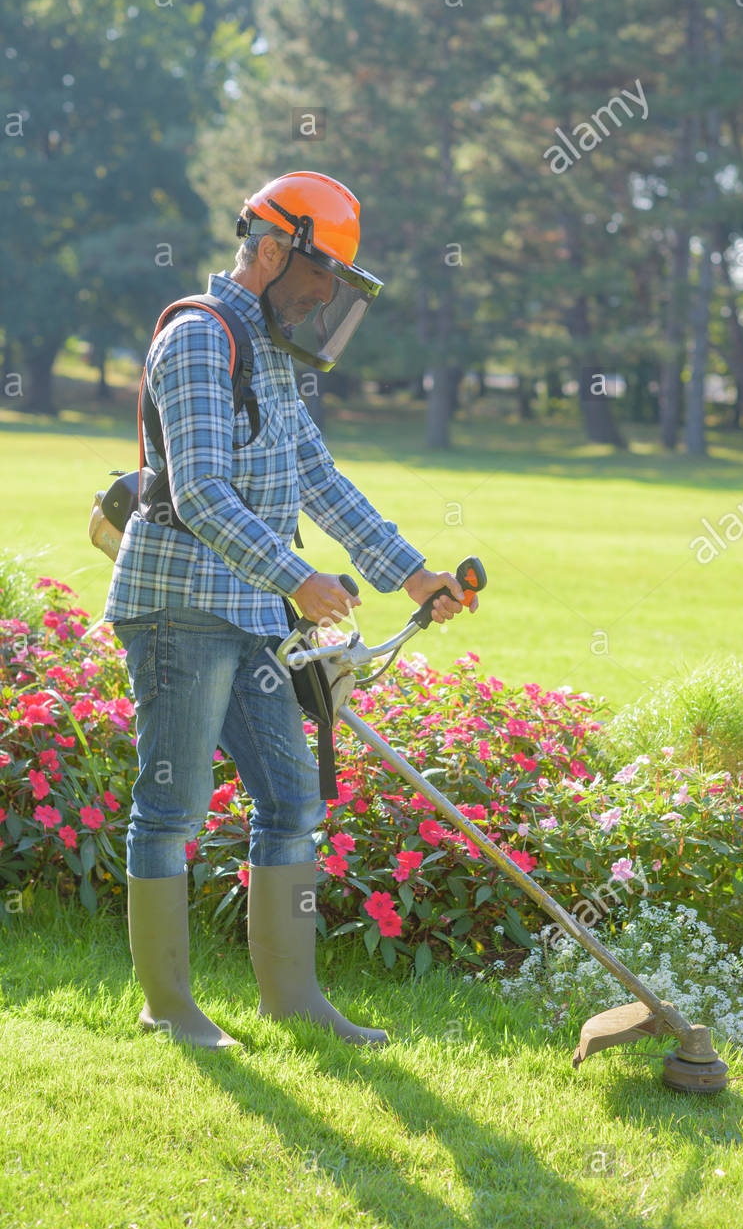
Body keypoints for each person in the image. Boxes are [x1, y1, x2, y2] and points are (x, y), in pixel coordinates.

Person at [104, 171, 477, 1052]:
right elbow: (199, 491)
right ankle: (167, 1007)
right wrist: (298, 576)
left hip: (253, 614)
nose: (323, 299)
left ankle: (293, 1000)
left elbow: (319, 478)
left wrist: (411, 573)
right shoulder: (199, 339)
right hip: (180, 607)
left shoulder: (268, 350)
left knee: (290, 800)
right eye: (320, 277)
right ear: (272, 250)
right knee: (172, 808)